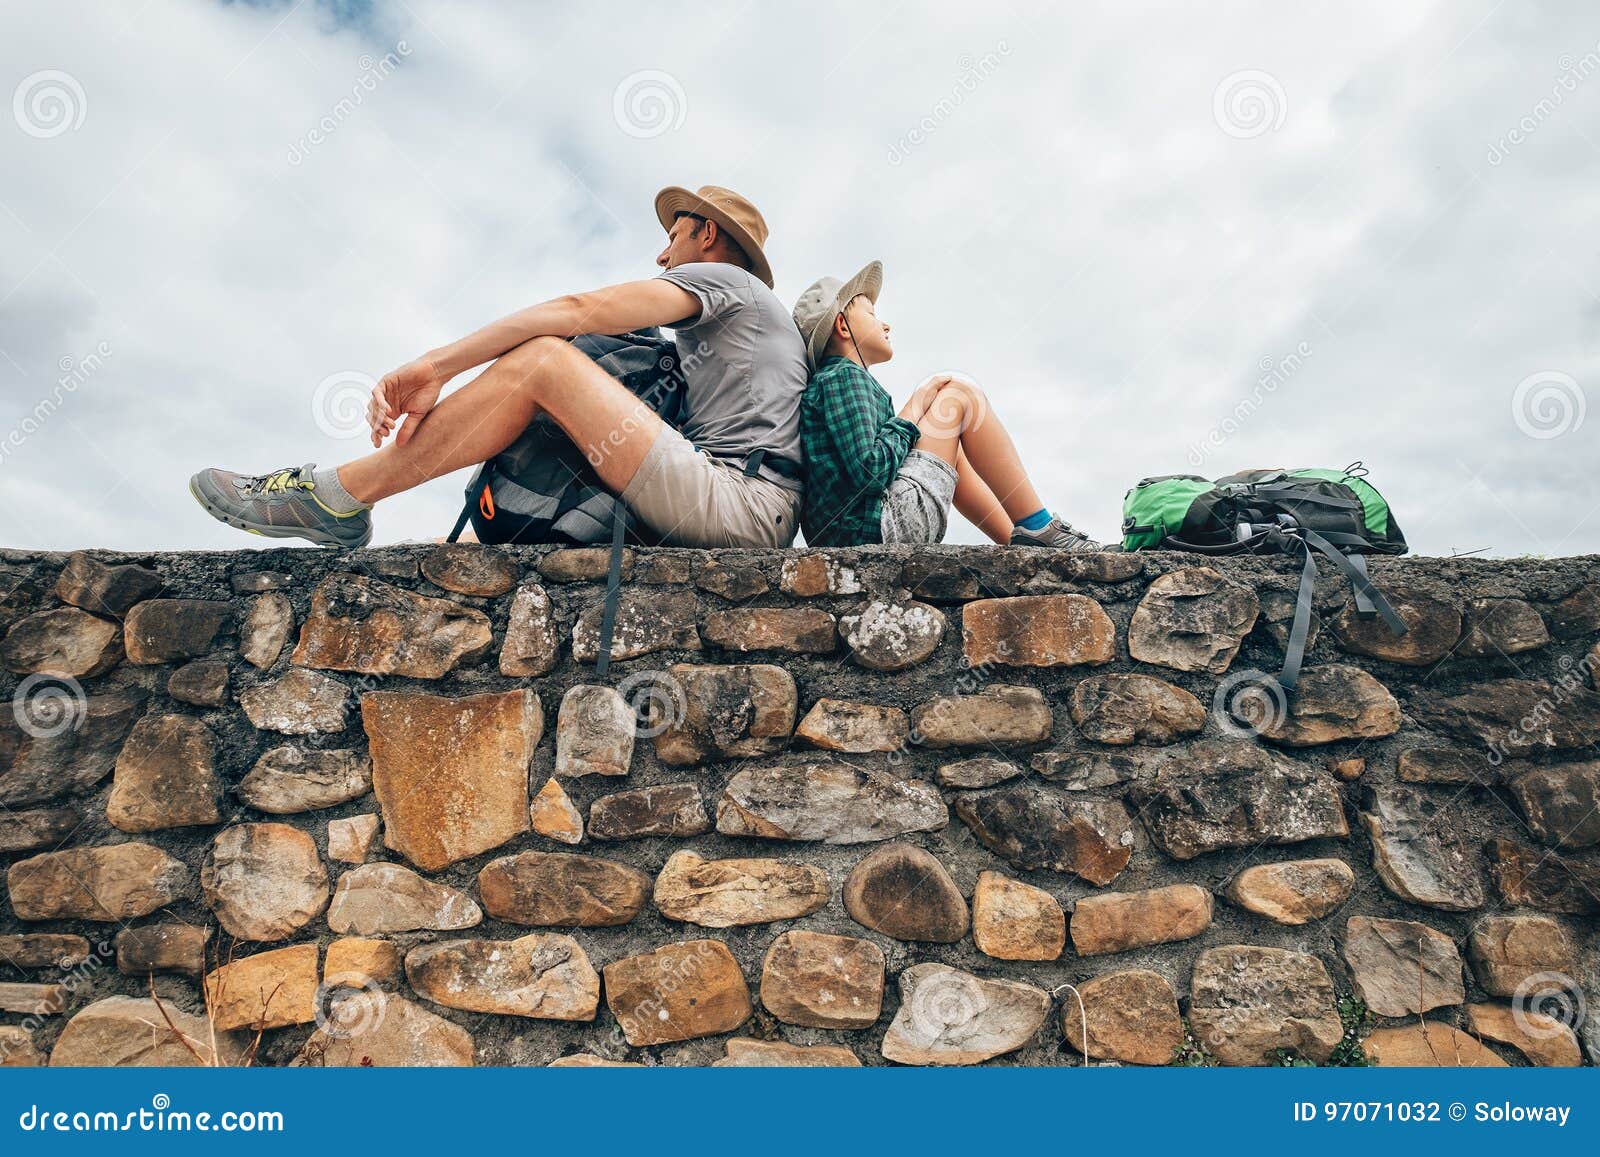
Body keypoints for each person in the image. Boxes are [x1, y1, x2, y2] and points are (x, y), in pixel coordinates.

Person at [190, 185, 807, 549]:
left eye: (674, 235)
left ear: (705, 235)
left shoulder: (729, 283)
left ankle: (339, 494)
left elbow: (581, 310)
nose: (662, 252)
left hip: (743, 502)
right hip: (739, 497)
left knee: (546, 361)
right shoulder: (733, 331)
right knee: (565, 371)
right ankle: (374, 499)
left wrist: (437, 365)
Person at [791, 261, 1105, 549]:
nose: (885, 325)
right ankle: (1038, 526)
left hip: (856, 530)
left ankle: (1020, 539)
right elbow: (871, 472)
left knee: (950, 449)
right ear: (843, 327)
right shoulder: (844, 377)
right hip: (873, 529)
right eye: (872, 315)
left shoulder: (838, 382)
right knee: (958, 395)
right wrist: (915, 406)